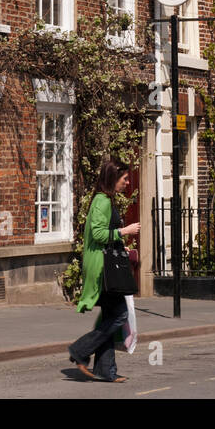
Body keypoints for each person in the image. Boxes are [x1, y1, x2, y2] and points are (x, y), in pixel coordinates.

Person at [67, 159, 140, 383]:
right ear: (112, 178)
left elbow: (103, 235)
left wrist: (120, 244)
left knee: (110, 316)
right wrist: (124, 230)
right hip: (104, 271)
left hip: (106, 264)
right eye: (124, 178)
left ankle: (105, 370)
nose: (127, 183)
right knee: (119, 316)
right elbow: (98, 234)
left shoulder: (104, 200)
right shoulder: (102, 201)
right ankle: (80, 349)